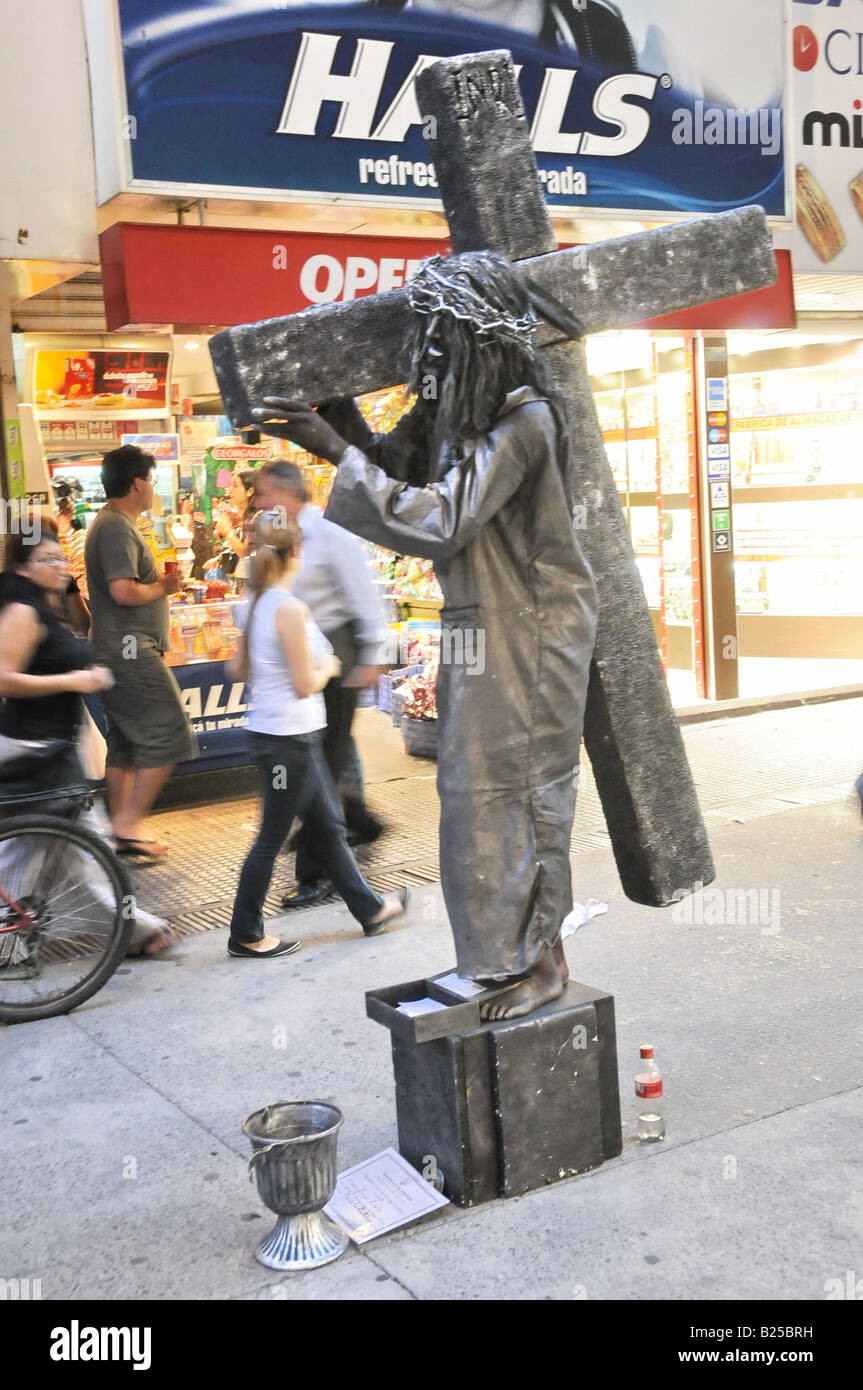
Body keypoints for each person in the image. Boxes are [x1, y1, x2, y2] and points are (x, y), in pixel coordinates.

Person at [254, 250, 598, 1020]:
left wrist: (340, 452)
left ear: (480, 340)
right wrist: (340, 423)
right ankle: (503, 955)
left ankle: (544, 961)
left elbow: (441, 518)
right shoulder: (459, 414)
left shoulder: (524, 421)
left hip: (533, 630)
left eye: (438, 344)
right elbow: (397, 470)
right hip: (480, 625)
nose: (424, 361)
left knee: (523, 794)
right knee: (472, 795)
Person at [225, 512, 408, 957]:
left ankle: (370, 909)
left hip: (280, 734)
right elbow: (305, 682)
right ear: (296, 552)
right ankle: (246, 933)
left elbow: (237, 668)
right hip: (290, 739)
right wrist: (328, 665)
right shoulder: (287, 608)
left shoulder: (254, 603)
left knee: (327, 826)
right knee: (271, 837)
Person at [0, 519, 178, 955]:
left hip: (48, 745)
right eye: (48, 560)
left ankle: (13, 944)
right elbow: (4, 678)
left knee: (42, 849)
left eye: (62, 557)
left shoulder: (46, 605)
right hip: (35, 748)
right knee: (81, 845)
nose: (60, 565)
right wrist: (75, 680)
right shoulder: (23, 611)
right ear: (23, 567)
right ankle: (133, 931)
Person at [252, 461, 387, 906]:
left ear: (289, 494)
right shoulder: (278, 535)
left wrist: (372, 655)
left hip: (334, 658)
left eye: (264, 493)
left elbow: (365, 597)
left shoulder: (330, 533)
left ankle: (316, 870)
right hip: (303, 658)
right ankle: (354, 824)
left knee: (321, 764)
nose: (257, 501)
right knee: (320, 760)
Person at [84, 445, 197, 858]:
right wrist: (165, 587)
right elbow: (123, 591)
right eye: (150, 480)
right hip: (128, 651)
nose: (152, 489)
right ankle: (128, 825)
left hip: (119, 648)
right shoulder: (115, 526)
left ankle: (121, 832)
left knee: (128, 741)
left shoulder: (115, 524)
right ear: (137, 483)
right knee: (170, 730)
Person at [214, 468, 258, 590]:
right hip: (245, 580)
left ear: (250, 491)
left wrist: (228, 530)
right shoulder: (247, 517)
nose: (230, 491)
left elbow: (245, 551)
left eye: (235, 485)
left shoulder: (257, 516)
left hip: (254, 583)